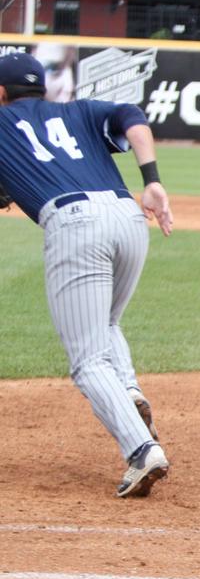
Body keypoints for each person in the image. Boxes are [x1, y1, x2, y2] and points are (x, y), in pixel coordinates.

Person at [0, 51, 174, 498]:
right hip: (128, 215)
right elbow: (132, 116)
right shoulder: (78, 109)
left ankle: (141, 450)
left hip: (75, 224)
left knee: (86, 361)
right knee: (107, 324)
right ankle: (129, 389)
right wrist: (151, 179)